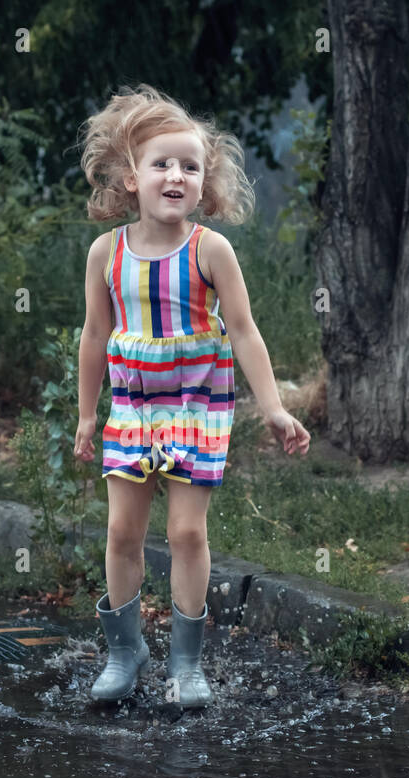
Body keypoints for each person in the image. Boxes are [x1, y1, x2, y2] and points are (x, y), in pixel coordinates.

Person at [73, 84, 311, 709]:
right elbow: (95, 336)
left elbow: (245, 332)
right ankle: (125, 652)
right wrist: (86, 413)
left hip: (197, 410)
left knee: (185, 533)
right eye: (162, 164)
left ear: (204, 183)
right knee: (122, 530)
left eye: (190, 166)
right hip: (132, 410)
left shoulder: (212, 250)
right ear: (130, 178)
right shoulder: (106, 254)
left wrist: (275, 406)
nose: (176, 175)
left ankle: (186, 664)